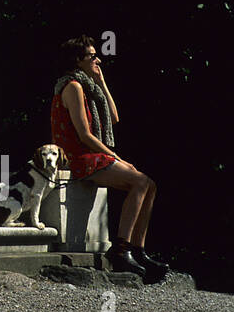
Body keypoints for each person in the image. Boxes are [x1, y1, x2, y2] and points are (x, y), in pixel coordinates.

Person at [50, 35, 169, 282]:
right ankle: (121, 250)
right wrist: (115, 156)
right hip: (79, 156)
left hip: (91, 153)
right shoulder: (72, 86)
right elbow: (83, 135)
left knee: (150, 185)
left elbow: (113, 117)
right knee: (140, 182)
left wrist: (102, 82)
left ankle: (138, 249)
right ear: (77, 60)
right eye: (93, 56)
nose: (99, 60)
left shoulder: (88, 86)